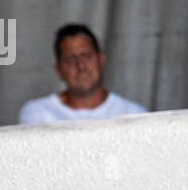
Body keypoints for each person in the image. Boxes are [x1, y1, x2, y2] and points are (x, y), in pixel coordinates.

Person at [18, 23, 147, 124]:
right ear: (58, 70)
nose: (81, 66)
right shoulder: (38, 114)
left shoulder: (134, 115)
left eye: (86, 56)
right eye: (70, 59)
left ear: (101, 59)